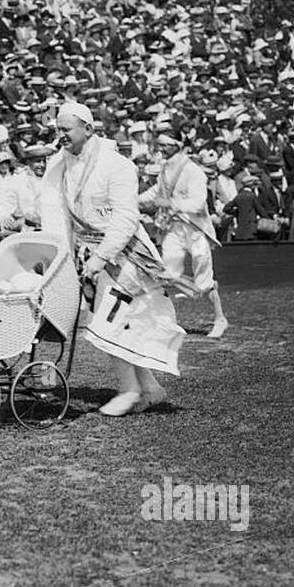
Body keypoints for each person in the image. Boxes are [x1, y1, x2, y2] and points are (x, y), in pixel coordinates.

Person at [43, 101, 184, 417]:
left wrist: (101, 258)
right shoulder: (59, 165)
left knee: (112, 324)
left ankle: (129, 390)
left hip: (127, 257)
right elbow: (57, 215)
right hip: (89, 257)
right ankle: (149, 388)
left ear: (88, 129)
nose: (60, 135)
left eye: (66, 129)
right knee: (118, 324)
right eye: (57, 130)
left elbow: (125, 219)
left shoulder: (116, 165)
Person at [138, 132, 229, 338]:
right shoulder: (165, 169)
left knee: (203, 277)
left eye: (166, 145)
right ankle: (169, 320)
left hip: (195, 230)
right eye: (160, 144)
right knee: (167, 273)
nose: (161, 148)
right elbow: (156, 193)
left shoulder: (193, 171)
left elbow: (197, 203)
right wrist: (133, 200)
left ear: (177, 145)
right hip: (173, 228)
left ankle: (219, 319)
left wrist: (171, 204)